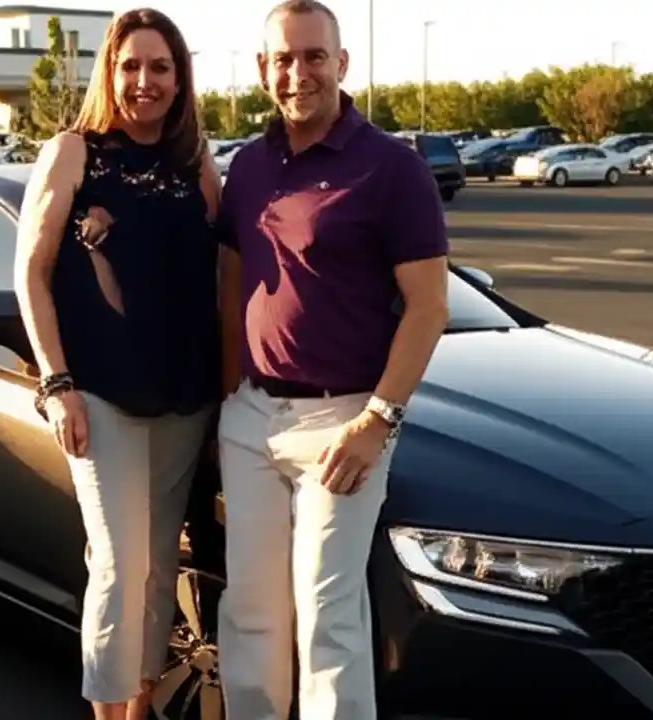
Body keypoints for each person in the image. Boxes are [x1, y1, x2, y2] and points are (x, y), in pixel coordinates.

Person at [213, 1, 451, 718]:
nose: (298, 73)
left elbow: (429, 307)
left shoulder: (392, 169)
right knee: (252, 610)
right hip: (252, 414)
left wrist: (376, 421)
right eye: (283, 59)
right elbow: (231, 290)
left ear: (342, 64)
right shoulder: (249, 167)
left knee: (327, 614)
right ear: (263, 71)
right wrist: (227, 399)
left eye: (314, 56)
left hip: (344, 419)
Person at [11, 8, 222, 720]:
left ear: (179, 77)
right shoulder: (75, 153)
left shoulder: (197, 163)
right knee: (119, 566)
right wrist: (57, 382)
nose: (144, 81)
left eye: (159, 67)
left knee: (162, 570)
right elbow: (31, 274)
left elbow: (227, 274)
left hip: (187, 397)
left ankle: (139, 712)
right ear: (110, 70)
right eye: (130, 66)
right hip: (97, 393)